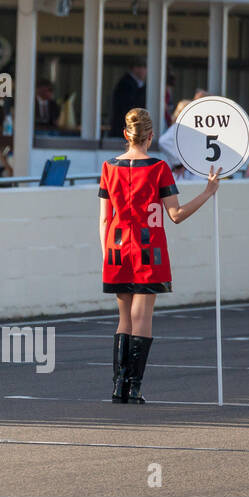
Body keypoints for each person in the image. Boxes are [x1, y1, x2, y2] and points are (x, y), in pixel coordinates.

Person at [99, 108, 219, 403]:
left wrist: (107, 254)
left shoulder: (108, 167)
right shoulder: (158, 168)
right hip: (148, 249)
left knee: (124, 317)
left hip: (116, 248)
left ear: (126, 134)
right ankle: (134, 387)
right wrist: (208, 192)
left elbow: (104, 219)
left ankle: (118, 386)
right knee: (142, 317)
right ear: (150, 136)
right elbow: (175, 214)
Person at [109, 62, 146, 138]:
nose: (146, 71)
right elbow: (130, 108)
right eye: (144, 68)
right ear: (136, 68)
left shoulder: (135, 83)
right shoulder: (127, 84)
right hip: (124, 129)